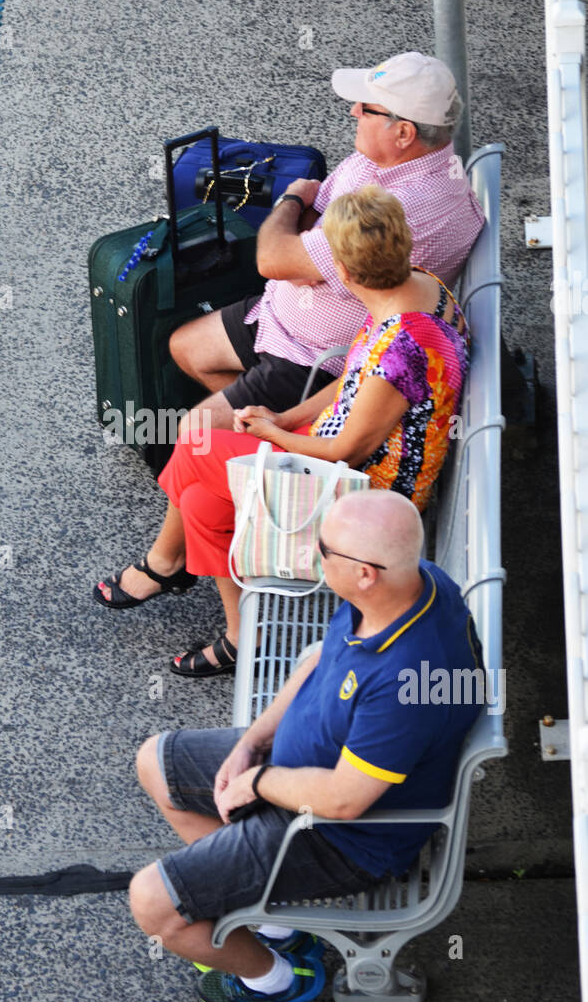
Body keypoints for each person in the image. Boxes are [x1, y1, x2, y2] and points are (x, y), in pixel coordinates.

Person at [129, 488, 487, 1002]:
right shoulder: (411, 584)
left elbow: (343, 800)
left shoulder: (411, 679)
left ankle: (276, 980)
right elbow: (318, 661)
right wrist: (252, 742)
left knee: (153, 905)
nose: (311, 555)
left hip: (340, 837)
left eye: (322, 548)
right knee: (155, 761)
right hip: (298, 772)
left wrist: (257, 781)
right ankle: (277, 923)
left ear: (365, 572)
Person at [94, 185, 469, 679]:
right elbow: (347, 383)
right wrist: (286, 419)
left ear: (348, 273)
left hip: (364, 492)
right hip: (342, 454)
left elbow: (344, 451)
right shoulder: (417, 285)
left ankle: (168, 564)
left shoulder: (399, 349)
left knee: (194, 444)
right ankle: (233, 629)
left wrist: (275, 432)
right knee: (206, 499)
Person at [168, 51, 483, 442]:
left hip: (317, 357)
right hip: (282, 315)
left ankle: (282, 442)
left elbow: (271, 258)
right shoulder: (381, 161)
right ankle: (265, 433)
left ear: (404, 133)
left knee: (192, 431)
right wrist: (302, 254)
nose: (353, 111)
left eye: (367, 109)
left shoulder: (404, 209)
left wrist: (291, 200)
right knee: (185, 346)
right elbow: (303, 237)